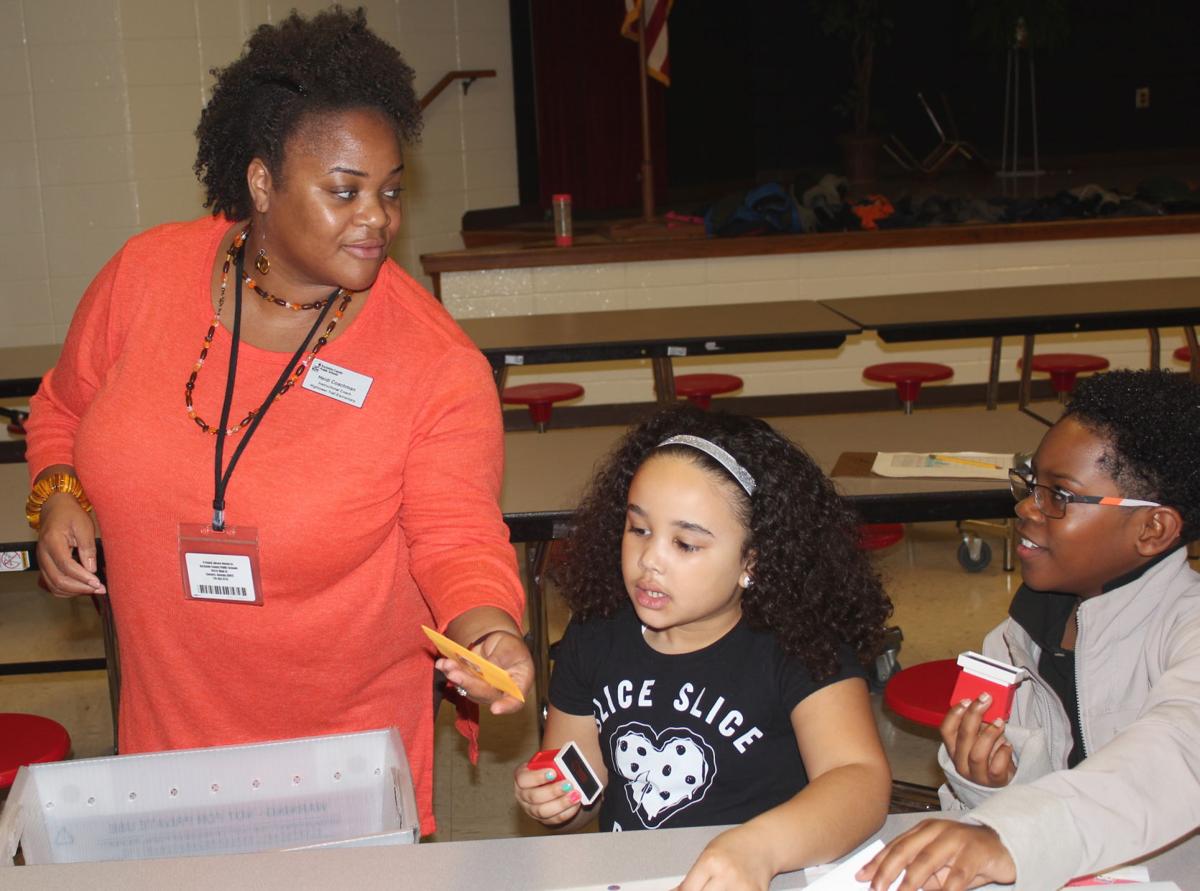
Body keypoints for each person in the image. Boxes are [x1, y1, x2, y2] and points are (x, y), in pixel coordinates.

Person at [23, 7, 531, 835]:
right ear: (262, 183)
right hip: (168, 759)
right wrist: (57, 491)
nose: (379, 217)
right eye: (345, 190)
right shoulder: (145, 276)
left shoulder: (434, 364)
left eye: (391, 190)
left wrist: (493, 631)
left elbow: (458, 539)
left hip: (341, 774)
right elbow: (62, 405)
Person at [513, 405, 893, 890]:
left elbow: (859, 779)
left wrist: (758, 848)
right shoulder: (594, 635)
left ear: (752, 561)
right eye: (639, 530)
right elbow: (583, 794)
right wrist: (556, 802)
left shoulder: (797, 645)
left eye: (686, 544)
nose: (650, 560)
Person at [860, 369, 1200, 890]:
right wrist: (986, 785)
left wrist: (1010, 836)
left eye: (1059, 495)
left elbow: (1175, 756)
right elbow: (986, 818)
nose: (1025, 507)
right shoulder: (1013, 639)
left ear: (1152, 529)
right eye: (1031, 483)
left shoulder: (1188, 627)